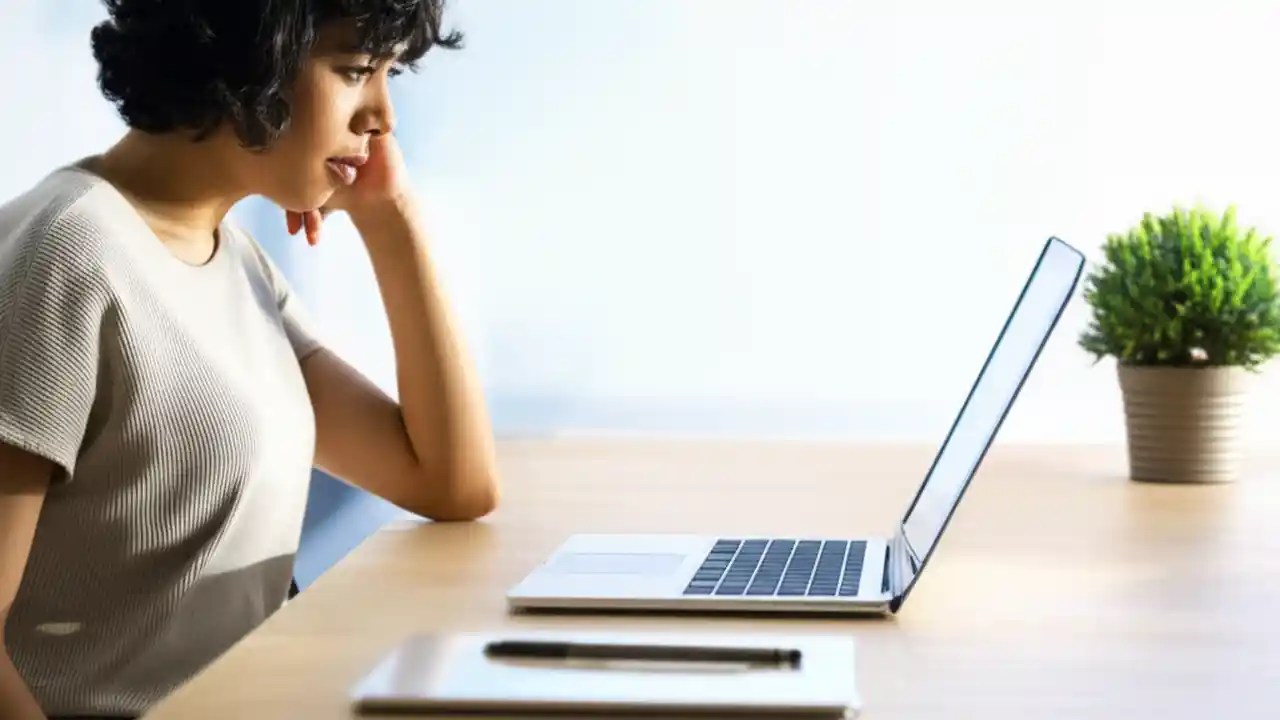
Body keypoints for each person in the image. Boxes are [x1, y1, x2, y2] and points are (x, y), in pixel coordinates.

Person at [0, 1, 500, 718]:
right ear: (249, 60)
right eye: (355, 71)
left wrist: (390, 215)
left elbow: (451, 483)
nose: (382, 118)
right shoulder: (67, 255)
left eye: (389, 75)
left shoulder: (232, 259)